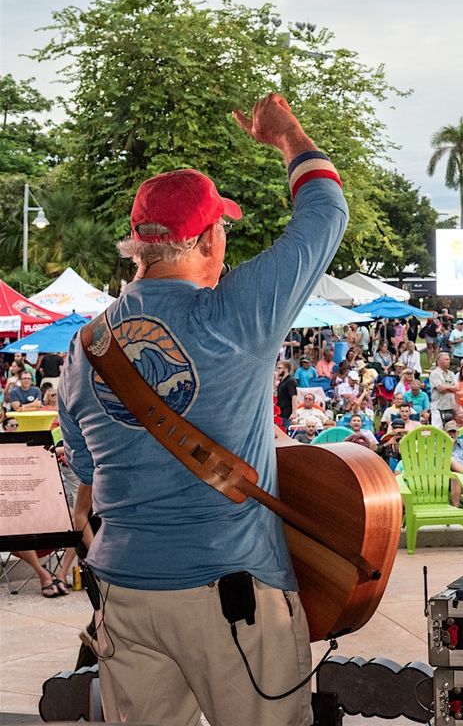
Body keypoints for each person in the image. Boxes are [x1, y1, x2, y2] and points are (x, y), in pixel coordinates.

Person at [57, 94, 341, 725]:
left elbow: (84, 469)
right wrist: (287, 134)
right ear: (211, 237)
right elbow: (325, 212)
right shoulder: (235, 314)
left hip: (124, 593)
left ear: (141, 245)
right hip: (229, 590)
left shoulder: (87, 345)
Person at [429, 352, 459, 428]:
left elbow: (457, 388)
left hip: (450, 406)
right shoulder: (434, 373)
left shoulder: (451, 373)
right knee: (438, 429)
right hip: (438, 407)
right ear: (439, 361)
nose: (449, 361)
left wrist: (447, 387)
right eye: (446, 360)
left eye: (448, 359)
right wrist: (451, 388)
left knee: (450, 429)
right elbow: (441, 389)